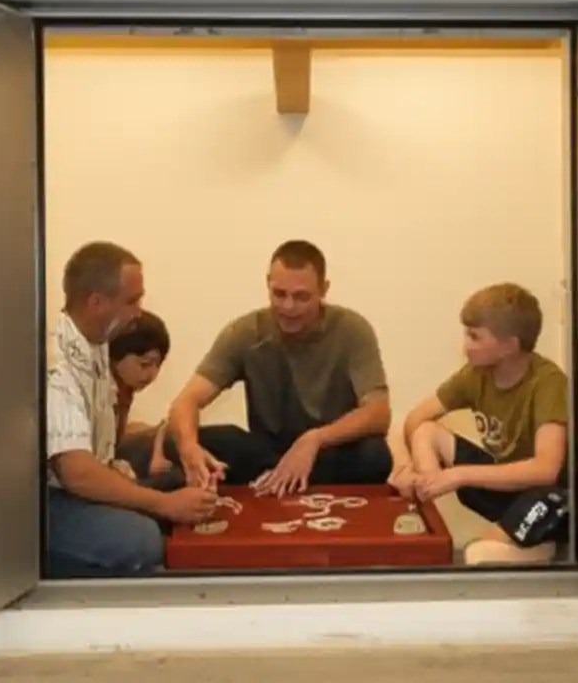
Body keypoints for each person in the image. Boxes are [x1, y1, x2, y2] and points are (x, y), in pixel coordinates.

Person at [168, 240, 393, 496]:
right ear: (267, 284)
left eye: (301, 297)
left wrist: (314, 439)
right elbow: (186, 401)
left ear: (324, 290)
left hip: (327, 453)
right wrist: (189, 448)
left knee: (375, 455)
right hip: (269, 455)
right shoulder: (245, 331)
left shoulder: (352, 329)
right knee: (178, 441)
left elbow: (378, 413)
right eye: (279, 294)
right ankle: (273, 482)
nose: (288, 307)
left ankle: (289, 485)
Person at [45, 242, 217, 576]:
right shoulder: (58, 367)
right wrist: (166, 505)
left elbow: (107, 444)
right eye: (132, 301)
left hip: (86, 482)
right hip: (52, 502)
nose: (139, 311)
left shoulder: (97, 347)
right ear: (97, 303)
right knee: (141, 540)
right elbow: (76, 472)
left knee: (173, 481)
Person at [391, 282, 570, 565]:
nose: (465, 346)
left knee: (478, 554)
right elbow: (417, 419)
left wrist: (459, 475)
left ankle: (539, 543)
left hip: (546, 496)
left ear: (509, 346)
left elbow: (545, 469)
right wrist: (416, 473)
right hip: (505, 488)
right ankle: (428, 511)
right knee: (426, 432)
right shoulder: (475, 374)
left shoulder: (548, 382)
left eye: (475, 337)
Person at [108, 311, 183, 491]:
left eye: (158, 365)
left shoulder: (125, 391)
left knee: (176, 473)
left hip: (111, 463)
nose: (152, 374)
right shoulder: (103, 389)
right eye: (145, 364)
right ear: (115, 355)